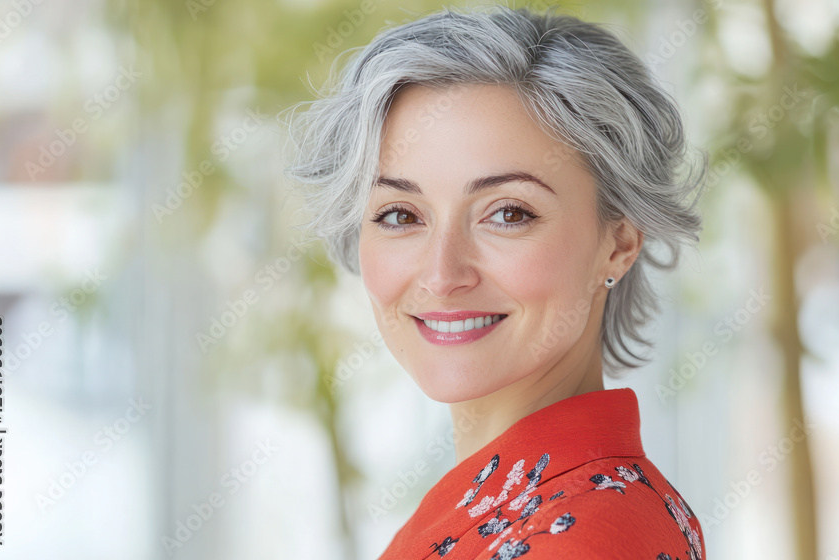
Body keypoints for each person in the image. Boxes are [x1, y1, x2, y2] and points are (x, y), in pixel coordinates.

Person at [285, 5, 707, 559]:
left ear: (619, 243)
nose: (441, 274)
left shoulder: (579, 537)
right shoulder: (499, 508)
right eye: (400, 215)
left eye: (507, 213)